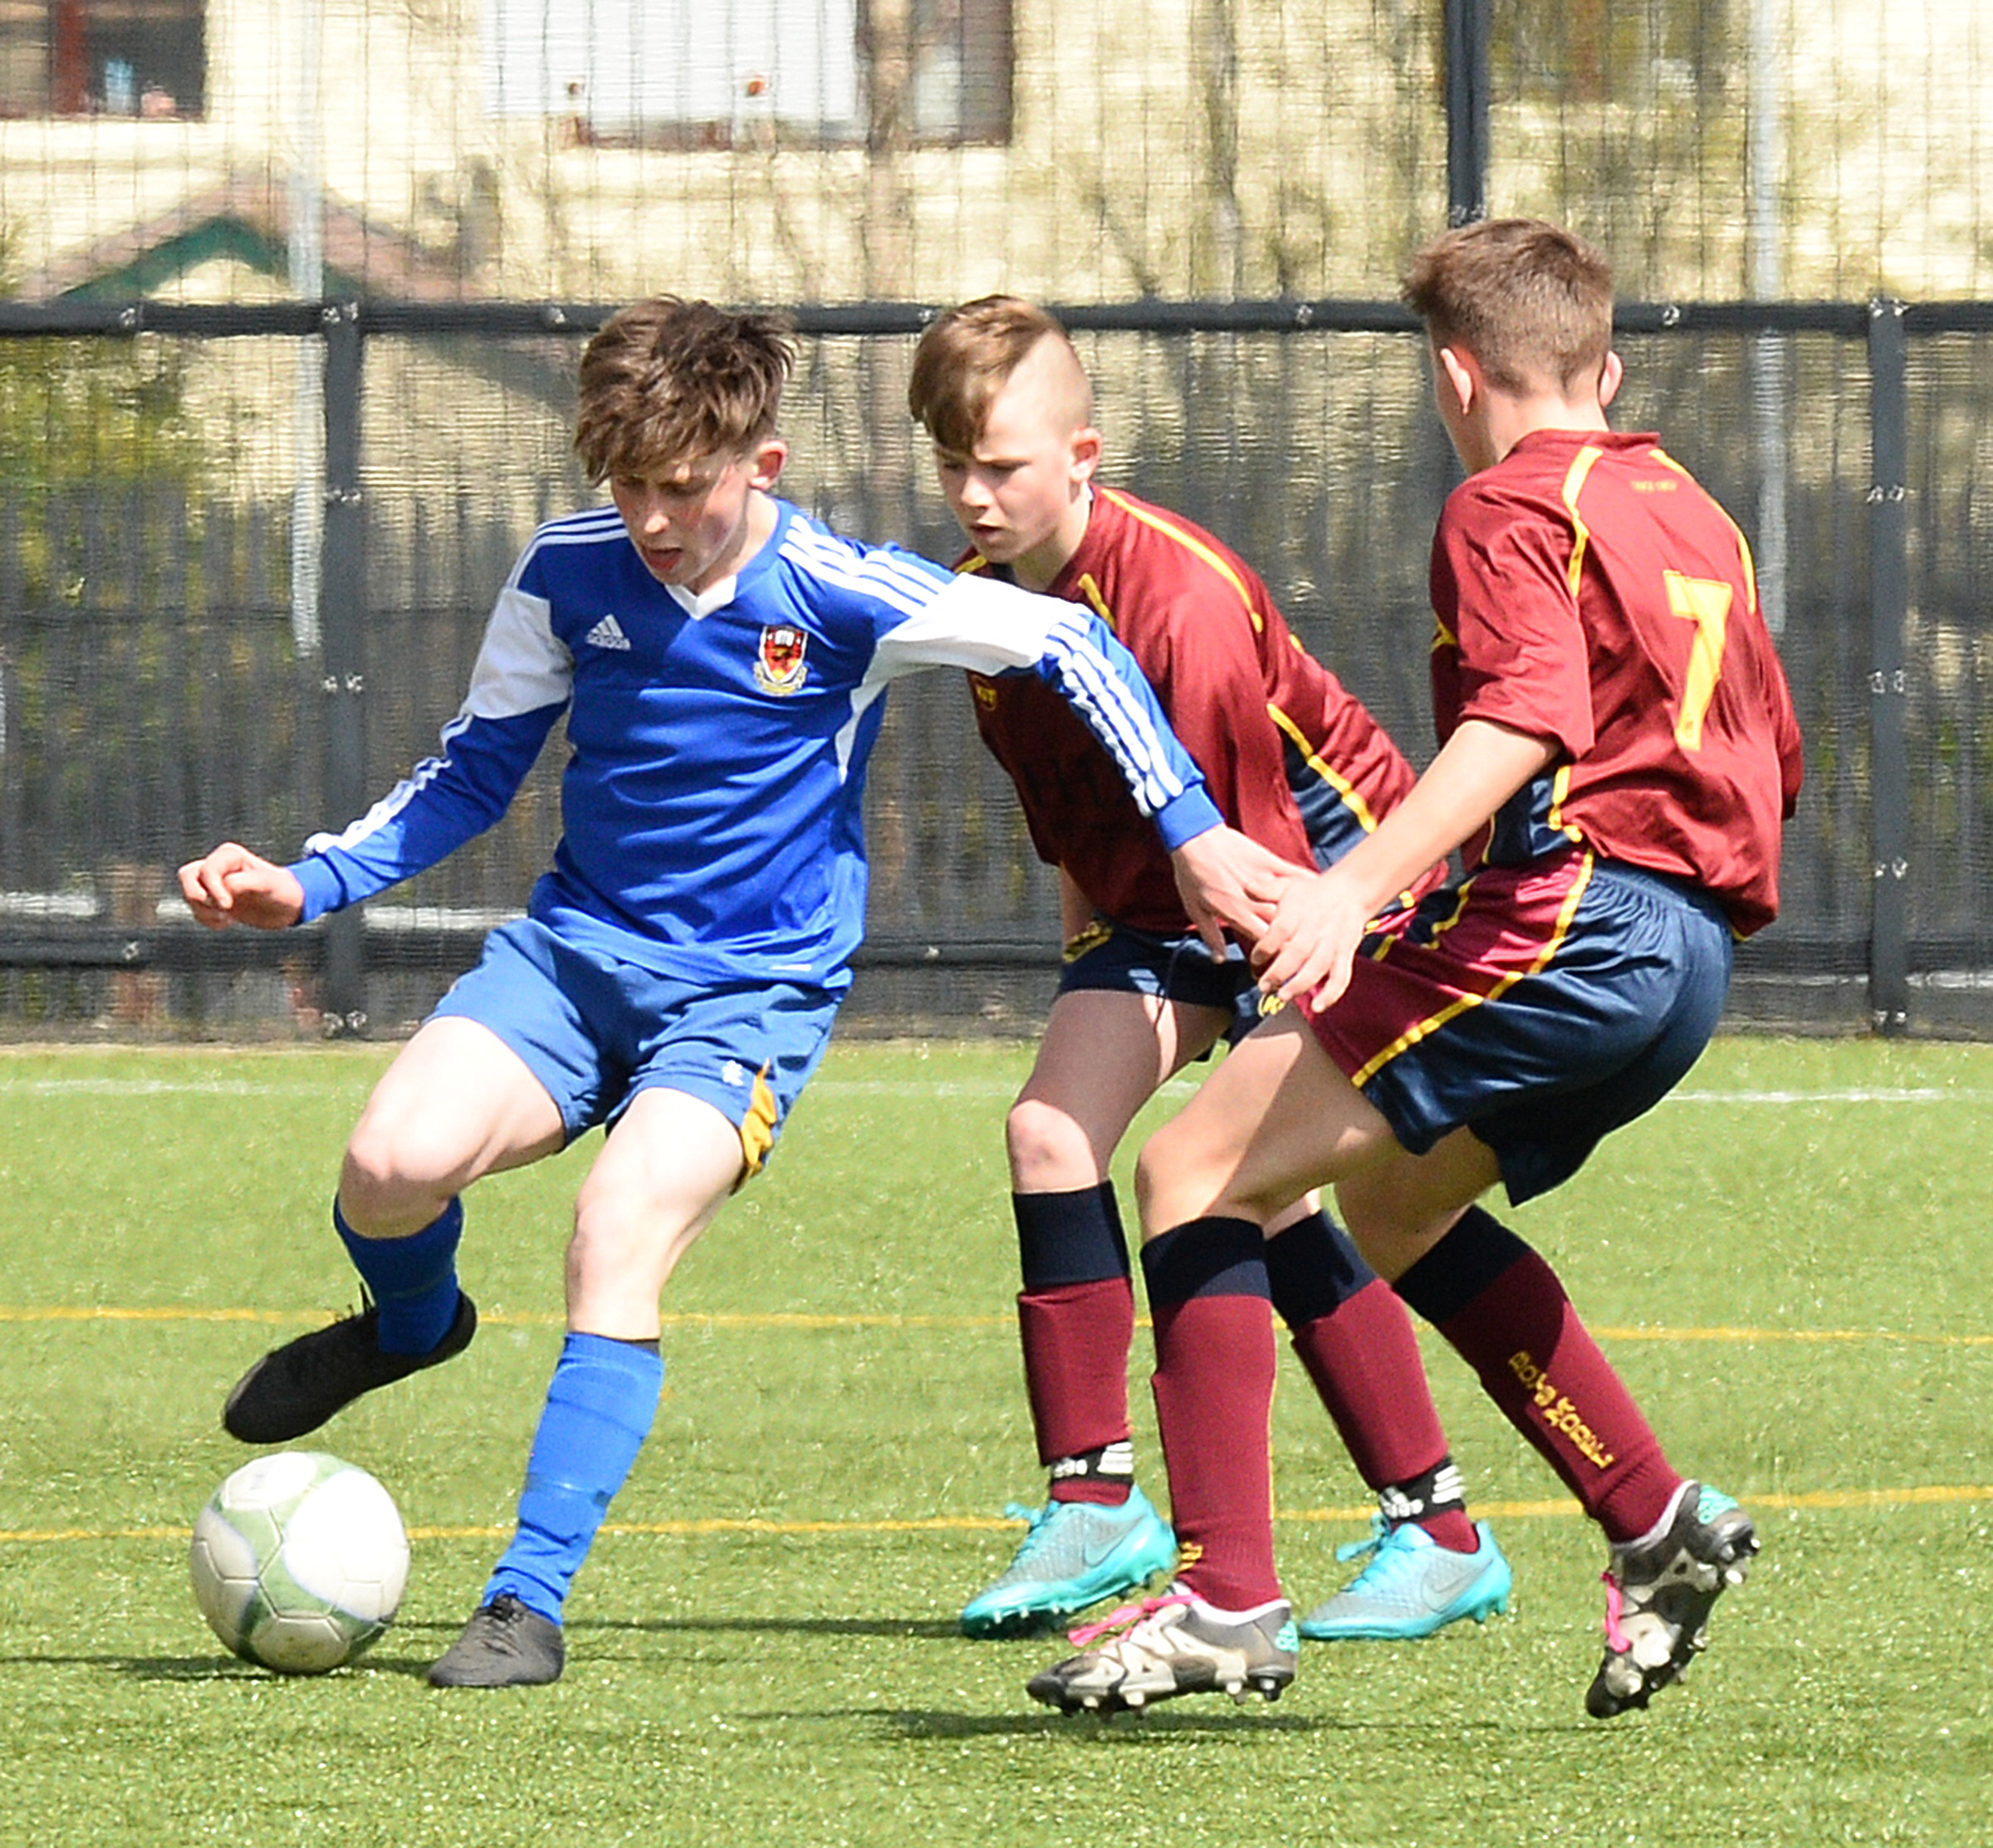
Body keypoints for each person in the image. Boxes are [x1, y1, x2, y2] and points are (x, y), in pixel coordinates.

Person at [179, 297, 1288, 1691]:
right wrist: (309, 884)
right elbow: (471, 772)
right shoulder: (570, 572)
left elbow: (1066, 645)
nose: (651, 518)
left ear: (760, 462)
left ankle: (524, 1602)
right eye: (629, 486)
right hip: (573, 959)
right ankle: (413, 1323)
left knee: (617, 1223)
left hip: (748, 1000)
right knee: (386, 1165)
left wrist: (1186, 824)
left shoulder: (839, 589)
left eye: (683, 487)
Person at [1026, 218, 1804, 1718]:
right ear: (1606, 363)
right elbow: (1768, 754)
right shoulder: (1692, 507)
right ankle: (1654, 1522)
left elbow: (1525, 717)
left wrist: (1354, 889)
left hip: (1575, 916)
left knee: (1192, 1166)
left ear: (1454, 376)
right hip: (1690, 951)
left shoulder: (1507, 502)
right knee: (1387, 1207)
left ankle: (1226, 1597)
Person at [906, 296, 1511, 1645]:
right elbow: (1079, 828)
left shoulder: (1172, 601)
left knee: (1256, 1190)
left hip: (1326, 882)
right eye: (951, 463)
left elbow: (1260, 858)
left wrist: (1248, 1078)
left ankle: (1438, 1525)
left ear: (1085, 456)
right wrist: (1093, 985)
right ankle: (1094, 1498)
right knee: (1050, 1131)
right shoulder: (985, 616)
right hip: (1173, 900)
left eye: (1000, 464)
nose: (972, 494)